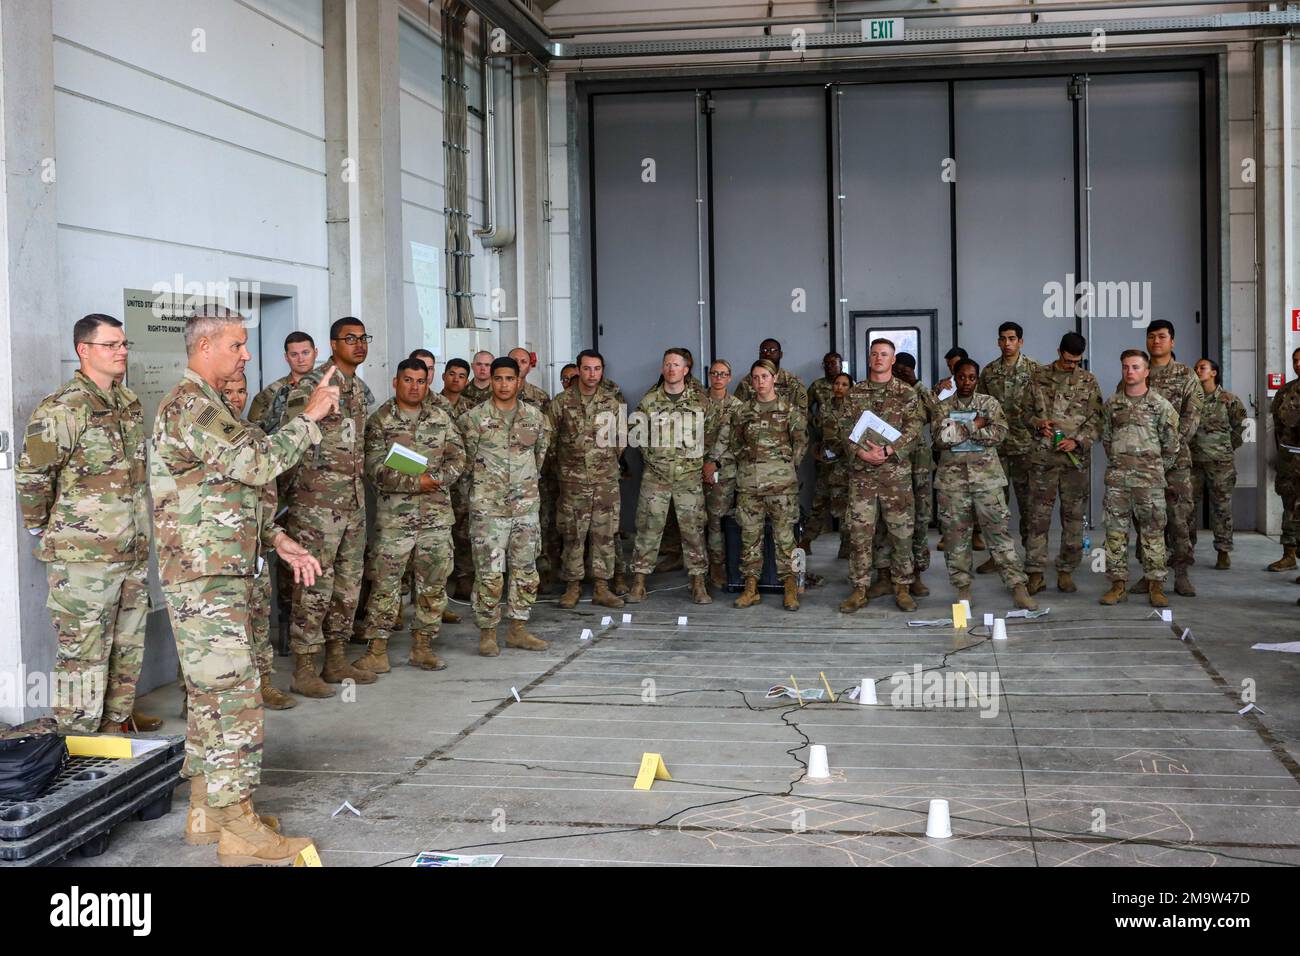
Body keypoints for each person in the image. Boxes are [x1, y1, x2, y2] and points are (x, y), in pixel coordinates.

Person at [151, 305, 337, 865]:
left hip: (216, 570)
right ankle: (240, 830)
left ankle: (207, 811)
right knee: (233, 699)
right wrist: (310, 417)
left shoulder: (204, 405)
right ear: (205, 346)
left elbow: (229, 493)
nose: (246, 355)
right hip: (206, 578)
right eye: (236, 345)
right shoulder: (192, 405)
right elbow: (257, 463)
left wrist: (277, 540)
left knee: (214, 697)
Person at [16, 313, 157, 733]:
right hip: (83, 560)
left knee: (127, 649)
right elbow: (33, 476)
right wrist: (43, 528)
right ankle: (76, 744)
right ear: (84, 350)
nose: (121, 352)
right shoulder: (63, 408)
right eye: (111, 345)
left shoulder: (127, 403)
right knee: (83, 655)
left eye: (124, 345)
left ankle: (115, 730)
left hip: (130, 551)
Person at [279, 317, 376, 697]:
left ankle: (336, 657)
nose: (358, 345)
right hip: (316, 505)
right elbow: (291, 442)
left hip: (352, 502)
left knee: (348, 585)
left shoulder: (357, 387)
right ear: (333, 345)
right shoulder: (310, 385)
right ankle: (304, 666)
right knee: (314, 585)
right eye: (349, 339)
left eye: (362, 338)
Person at [353, 359, 466, 674]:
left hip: (436, 519)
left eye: (420, 381)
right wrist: (417, 482)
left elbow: (459, 456)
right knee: (385, 585)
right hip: (395, 521)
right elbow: (373, 466)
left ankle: (422, 647)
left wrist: (441, 478)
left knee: (433, 584)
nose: (414, 386)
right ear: (395, 382)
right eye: (408, 380)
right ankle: (377, 650)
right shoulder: (381, 421)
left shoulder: (441, 418)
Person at [461, 357, 552, 655]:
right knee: (489, 572)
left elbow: (539, 457)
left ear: (518, 381)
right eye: (498, 378)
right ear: (491, 380)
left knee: (526, 570)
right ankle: (487, 632)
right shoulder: (474, 419)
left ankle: (518, 629)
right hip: (488, 510)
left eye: (509, 379)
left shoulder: (535, 418)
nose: (503, 384)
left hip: (525, 508)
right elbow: (465, 465)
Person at [218, 372, 297, 711]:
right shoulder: (209, 432)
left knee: (260, 614)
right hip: (220, 546)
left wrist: (271, 533)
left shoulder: (256, 434)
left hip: (257, 543)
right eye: (229, 391)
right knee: (215, 624)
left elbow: (268, 492)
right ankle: (193, 694)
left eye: (241, 391)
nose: (236, 398)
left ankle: (264, 682)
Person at [933, 359, 1037, 609]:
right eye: (961, 377)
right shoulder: (942, 406)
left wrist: (960, 431)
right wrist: (976, 424)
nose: (966, 382)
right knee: (956, 539)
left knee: (999, 536)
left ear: (977, 379)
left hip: (987, 482)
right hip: (952, 484)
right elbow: (940, 439)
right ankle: (963, 589)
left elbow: (999, 434)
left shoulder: (990, 403)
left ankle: (1017, 587)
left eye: (971, 377)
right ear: (954, 377)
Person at [711, 359, 808, 610]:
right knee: (749, 537)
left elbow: (801, 443)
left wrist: (785, 468)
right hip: (750, 486)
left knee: (785, 539)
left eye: (765, 376)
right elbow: (734, 443)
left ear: (774, 378)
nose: (760, 382)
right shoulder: (742, 412)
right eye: (755, 377)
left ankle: (790, 588)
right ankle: (750, 588)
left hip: (782, 488)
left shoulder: (789, 410)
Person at [839, 338, 922, 613]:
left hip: (894, 474)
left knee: (901, 532)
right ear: (869, 357)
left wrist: (888, 450)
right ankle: (859, 588)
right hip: (862, 475)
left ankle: (902, 587)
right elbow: (843, 428)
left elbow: (914, 429)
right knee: (860, 533)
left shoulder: (906, 393)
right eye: (874, 354)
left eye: (884, 354)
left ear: (893, 359)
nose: (878, 358)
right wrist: (861, 453)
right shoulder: (855, 393)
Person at [628, 348, 711, 603]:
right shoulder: (650, 401)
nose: (671, 369)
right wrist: (653, 458)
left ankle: (698, 582)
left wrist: (702, 461)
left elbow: (713, 434)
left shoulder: (700, 402)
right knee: (648, 528)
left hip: (689, 477)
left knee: (693, 530)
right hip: (656, 477)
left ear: (686, 370)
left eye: (676, 365)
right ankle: (639, 581)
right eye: (667, 364)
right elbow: (636, 432)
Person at [1099, 350, 1180, 608]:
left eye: (1135, 367)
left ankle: (1156, 585)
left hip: (1150, 483)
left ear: (1146, 372)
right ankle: (1117, 584)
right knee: (1114, 534)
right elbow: (1107, 439)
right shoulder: (1112, 405)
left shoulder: (1160, 405)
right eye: (1125, 367)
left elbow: (1171, 446)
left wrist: (1153, 469)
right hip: (1118, 483)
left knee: (1153, 534)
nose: (1129, 372)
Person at [1024, 332, 1103, 593]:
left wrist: (1078, 440)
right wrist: (1037, 424)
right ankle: (1035, 570)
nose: (1072, 366)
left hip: (1074, 461)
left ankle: (1067, 569)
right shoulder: (1038, 377)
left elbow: (1098, 420)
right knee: (1037, 518)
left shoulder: (1089, 382)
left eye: (1076, 362)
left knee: (1073, 517)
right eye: (1068, 360)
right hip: (1043, 459)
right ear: (1059, 352)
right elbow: (1023, 413)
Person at [548, 349, 626, 609]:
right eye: (587, 368)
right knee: (572, 535)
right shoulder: (561, 402)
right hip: (572, 482)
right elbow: (549, 441)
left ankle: (602, 587)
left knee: (604, 534)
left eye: (597, 369)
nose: (592, 374)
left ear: (602, 371)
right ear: (578, 370)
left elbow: (621, 440)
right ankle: (572, 587)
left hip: (605, 480)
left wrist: (604, 462)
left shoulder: (612, 404)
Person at [1134, 319, 1202, 597]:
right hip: (1143, 463)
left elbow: (1192, 416)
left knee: (1179, 518)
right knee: (1146, 519)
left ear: (1172, 341)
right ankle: (1150, 574)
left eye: (1162, 337)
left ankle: (1181, 573)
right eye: (1151, 337)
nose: (1156, 341)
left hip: (1175, 462)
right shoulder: (1138, 372)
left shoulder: (1186, 375)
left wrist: (1168, 448)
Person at [870, 352, 938, 596]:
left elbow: (938, 414)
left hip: (918, 462)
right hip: (890, 462)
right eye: (897, 370)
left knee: (919, 518)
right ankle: (883, 574)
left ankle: (915, 574)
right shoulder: (883, 390)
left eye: (905, 371)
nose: (900, 374)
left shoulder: (919, 391)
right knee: (884, 520)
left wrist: (916, 383)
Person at [976, 322, 1040, 560]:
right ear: (998, 342)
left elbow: (1042, 407)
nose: (1007, 343)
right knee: (995, 508)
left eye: (1012, 338)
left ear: (1020, 341)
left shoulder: (1035, 370)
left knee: (1029, 508)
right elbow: (980, 408)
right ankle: (998, 557)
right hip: (997, 449)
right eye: (1003, 339)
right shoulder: (989, 372)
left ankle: (1032, 560)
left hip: (1026, 447)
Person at [1190, 358, 1246, 568]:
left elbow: (1241, 425)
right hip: (1193, 462)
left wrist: (1227, 447)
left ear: (1214, 372)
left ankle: (1223, 551)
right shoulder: (1190, 399)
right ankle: (1186, 550)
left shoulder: (1228, 399)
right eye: (1196, 368)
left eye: (1202, 368)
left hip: (1220, 463)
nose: (1198, 371)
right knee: (1187, 508)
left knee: (1221, 507)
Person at [703, 359, 742, 588]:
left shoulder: (737, 406)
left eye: (723, 374)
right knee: (697, 522)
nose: (718, 377)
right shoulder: (697, 401)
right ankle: (699, 570)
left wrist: (714, 464)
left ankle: (718, 567)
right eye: (715, 373)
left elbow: (736, 443)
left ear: (729, 377)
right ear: (710, 376)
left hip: (723, 472)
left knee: (717, 521)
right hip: (693, 470)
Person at [441, 358, 477, 601]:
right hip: (437, 480)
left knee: (465, 531)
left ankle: (465, 580)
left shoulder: (472, 410)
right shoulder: (431, 404)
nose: (456, 379)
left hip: (464, 481)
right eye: (452, 374)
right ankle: (439, 590)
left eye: (462, 375)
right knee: (439, 534)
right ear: (444, 376)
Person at [803, 352, 843, 551]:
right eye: (827, 364)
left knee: (848, 502)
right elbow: (804, 407)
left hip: (848, 459)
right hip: (825, 454)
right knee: (820, 499)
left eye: (834, 364)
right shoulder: (818, 386)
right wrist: (814, 421)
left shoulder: (855, 393)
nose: (830, 367)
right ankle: (807, 539)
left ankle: (847, 546)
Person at [1268, 346, 1300, 571]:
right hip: (1290, 461)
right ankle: (1289, 555)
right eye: (1295, 360)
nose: (1298, 364)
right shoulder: (1285, 392)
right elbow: (1277, 428)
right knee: (1289, 508)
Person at [248, 331, 318, 436]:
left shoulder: (329, 387)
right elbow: (254, 431)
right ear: (286, 357)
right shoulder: (270, 393)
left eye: (305, 353)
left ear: (315, 353)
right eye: (294, 354)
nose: (301, 359)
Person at [733, 338, 809, 411]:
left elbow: (801, 414)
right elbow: (737, 412)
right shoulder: (746, 382)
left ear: (780, 354)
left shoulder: (794, 383)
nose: (768, 353)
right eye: (764, 350)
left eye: (772, 350)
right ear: (759, 354)